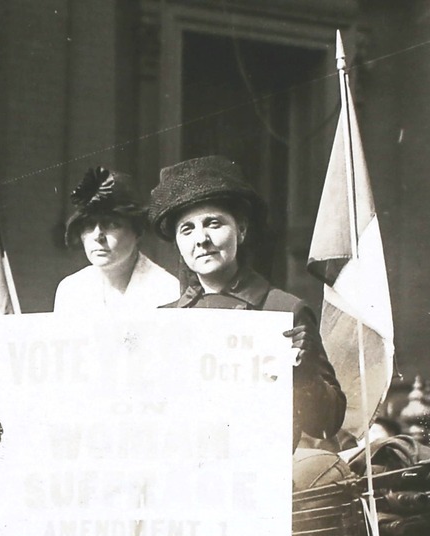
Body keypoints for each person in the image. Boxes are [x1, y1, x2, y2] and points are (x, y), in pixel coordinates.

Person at [148, 155, 346, 445]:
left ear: (240, 230)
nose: (201, 239)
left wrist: (303, 376)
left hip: (259, 477)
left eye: (213, 223)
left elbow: (326, 425)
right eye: (187, 229)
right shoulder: (161, 322)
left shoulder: (283, 311)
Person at [51, 166, 179, 314]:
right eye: (88, 225)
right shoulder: (71, 290)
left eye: (111, 224)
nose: (97, 236)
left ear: (137, 232)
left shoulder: (166, 290)